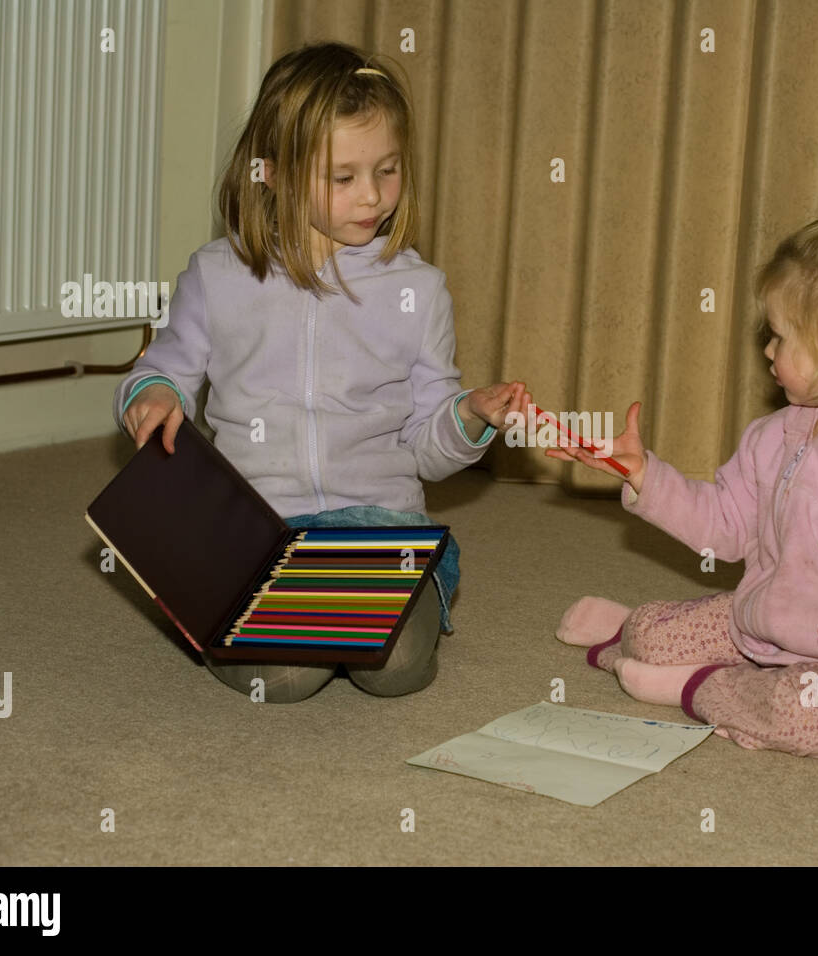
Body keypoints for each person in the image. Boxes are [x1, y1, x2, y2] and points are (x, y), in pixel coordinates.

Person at [115, 42, 529, 702]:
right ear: (272, 173)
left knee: (391, 668)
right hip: (258, 530)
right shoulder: (218, 277)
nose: (373, 196)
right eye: (344, 178)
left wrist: (470, 415)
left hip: (380, 532)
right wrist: (154, 394)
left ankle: (352, 620)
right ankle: (241, 620)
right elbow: (161, 368)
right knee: (283, 677)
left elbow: (428, 449)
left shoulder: (418, 291)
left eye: (387, 171)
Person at [549, 208, 818, 757]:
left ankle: (692, 687)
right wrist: (645, 474)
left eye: (778, 337)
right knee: (656, 636)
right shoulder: (775, 434)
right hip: (762, 626)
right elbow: (726, 527)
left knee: (804, 717)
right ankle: (627, 632)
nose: (767, 352)